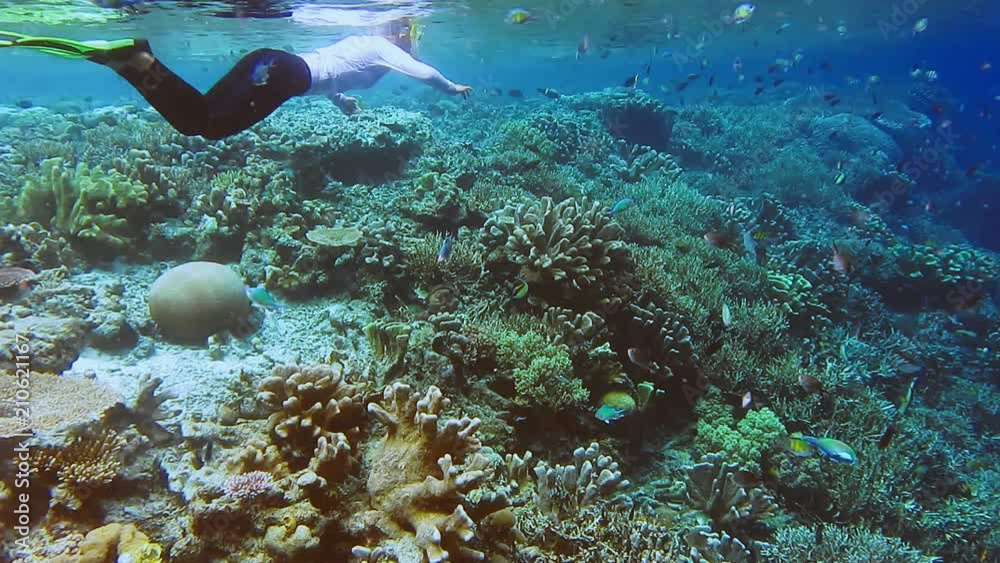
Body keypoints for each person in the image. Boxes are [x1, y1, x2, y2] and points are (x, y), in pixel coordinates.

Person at [0, 23, 471, 140]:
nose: (411, 46)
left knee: (200, 118)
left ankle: (135, 62)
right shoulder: (383, 45)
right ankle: (138, 60)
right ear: (399, 35)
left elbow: (328, 68)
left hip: (272, 62)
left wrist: (341, 101)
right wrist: (450, 88)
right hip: (282, 74)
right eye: (410, 37)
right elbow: (422, 72)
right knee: (207, 125)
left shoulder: (363, 46)